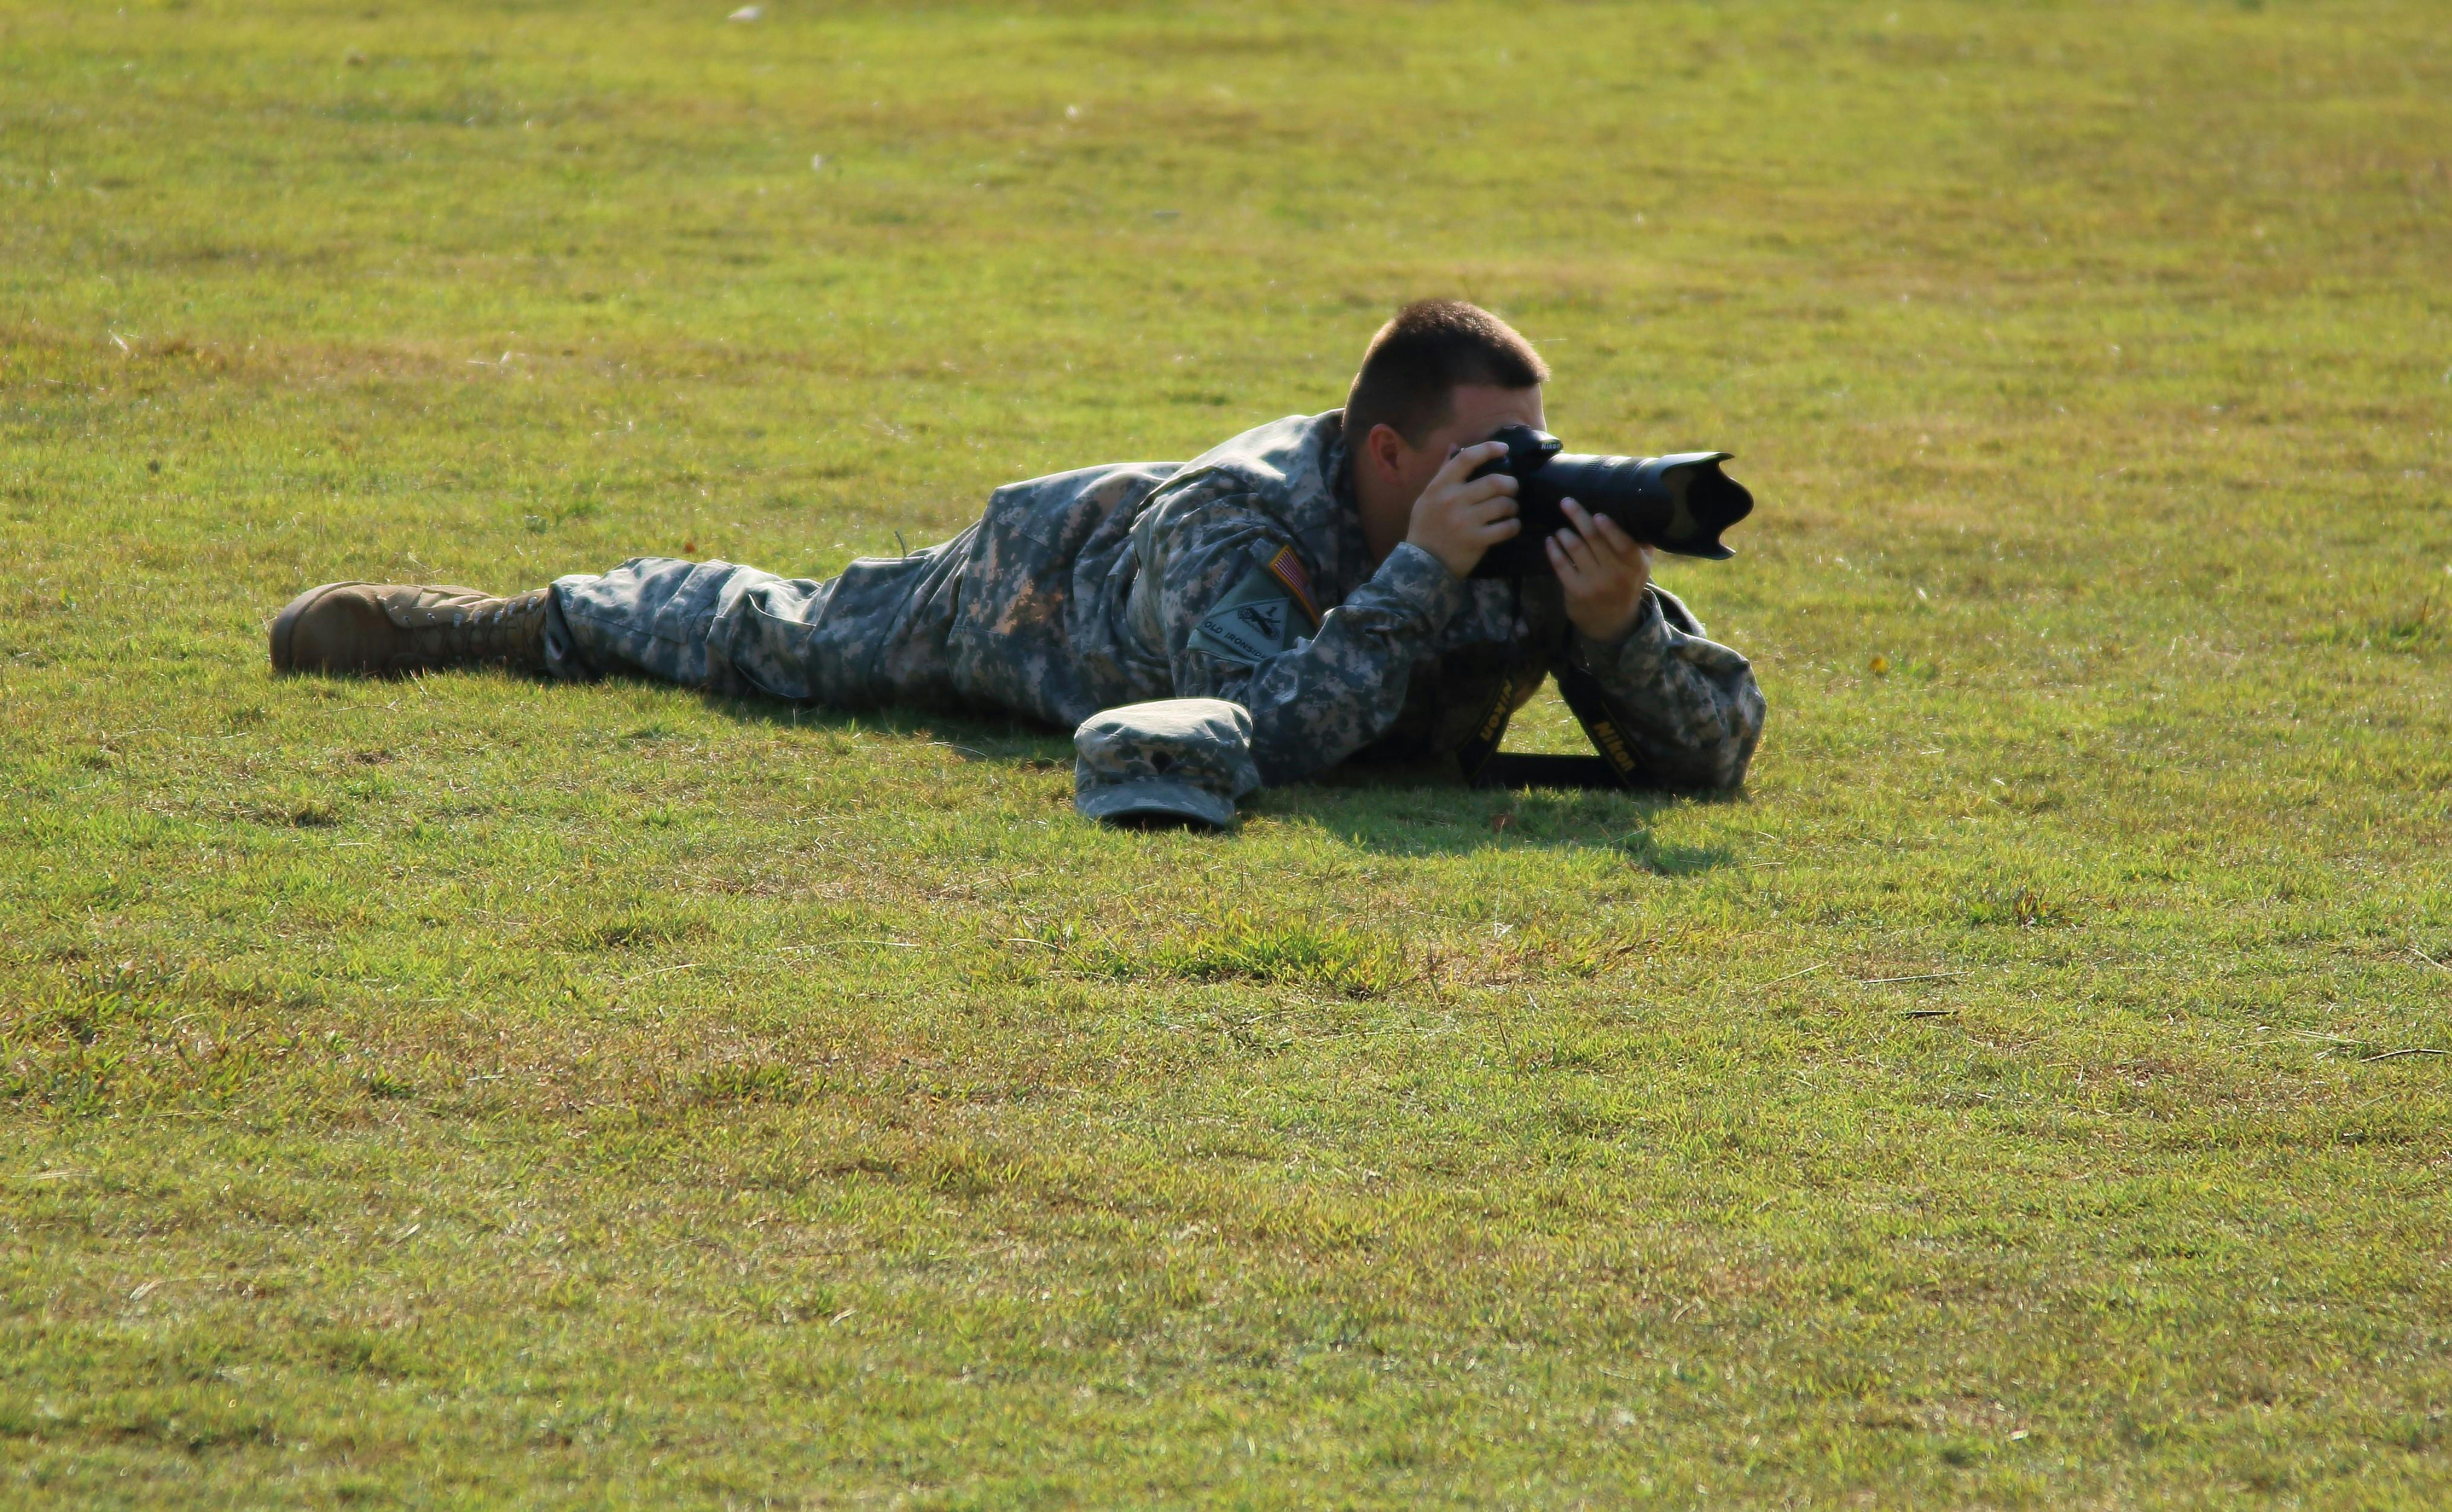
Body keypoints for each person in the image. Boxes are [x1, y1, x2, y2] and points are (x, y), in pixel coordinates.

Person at [271, 301, 1764, 789]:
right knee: (778, 641)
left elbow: (1719, 752)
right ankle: (481, 625)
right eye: (1485, 457)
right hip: (1043, 591)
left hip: (1236, 589)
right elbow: (1276, 736)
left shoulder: (1507, 540)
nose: (1520, 483)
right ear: (1388, 455)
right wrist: (1422, 574)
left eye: (1536, 448)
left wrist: (1616, 630)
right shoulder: (1235, 524)